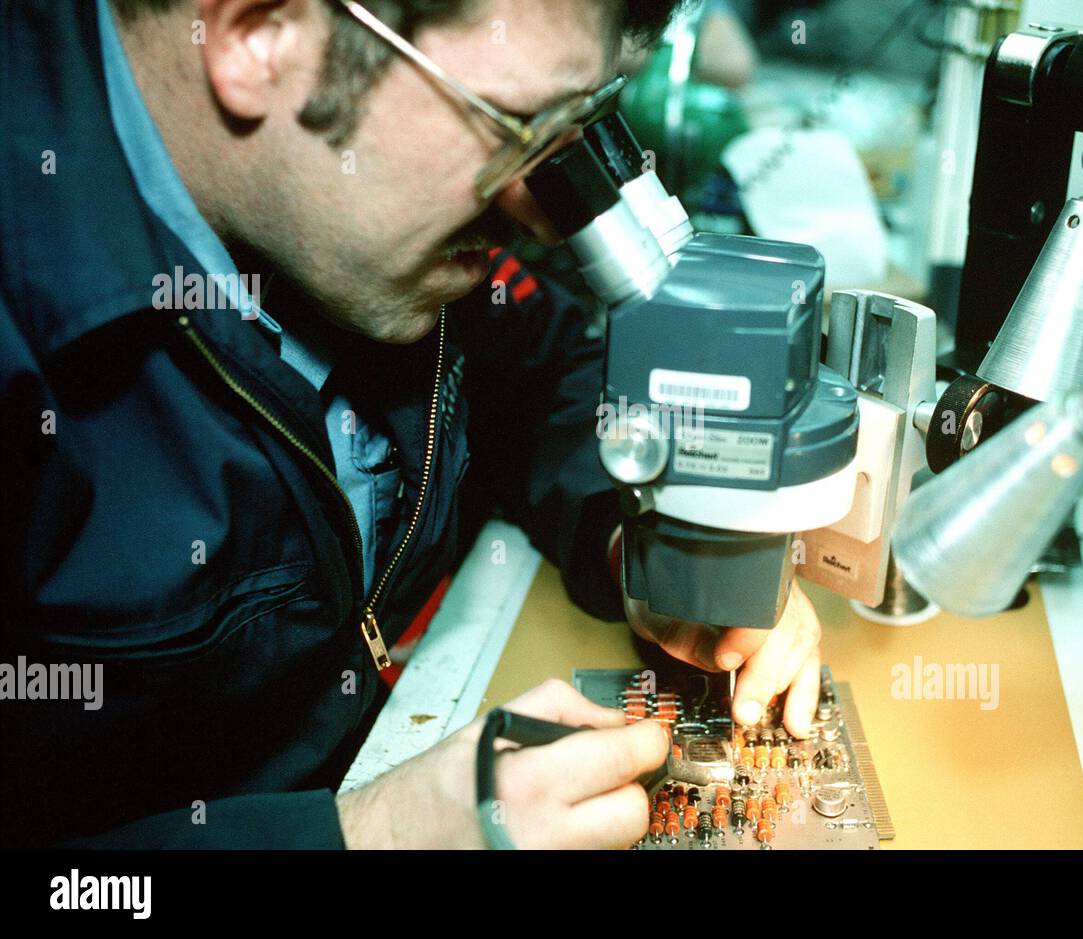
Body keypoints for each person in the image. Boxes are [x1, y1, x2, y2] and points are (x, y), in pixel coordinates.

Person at [0, 0, 824, 849]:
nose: (545, 213)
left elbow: (547, 375)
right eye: (522, 128)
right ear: (255, 37)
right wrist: (375, 835)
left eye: (579, 129)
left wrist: (651, 554)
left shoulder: (375, 217)